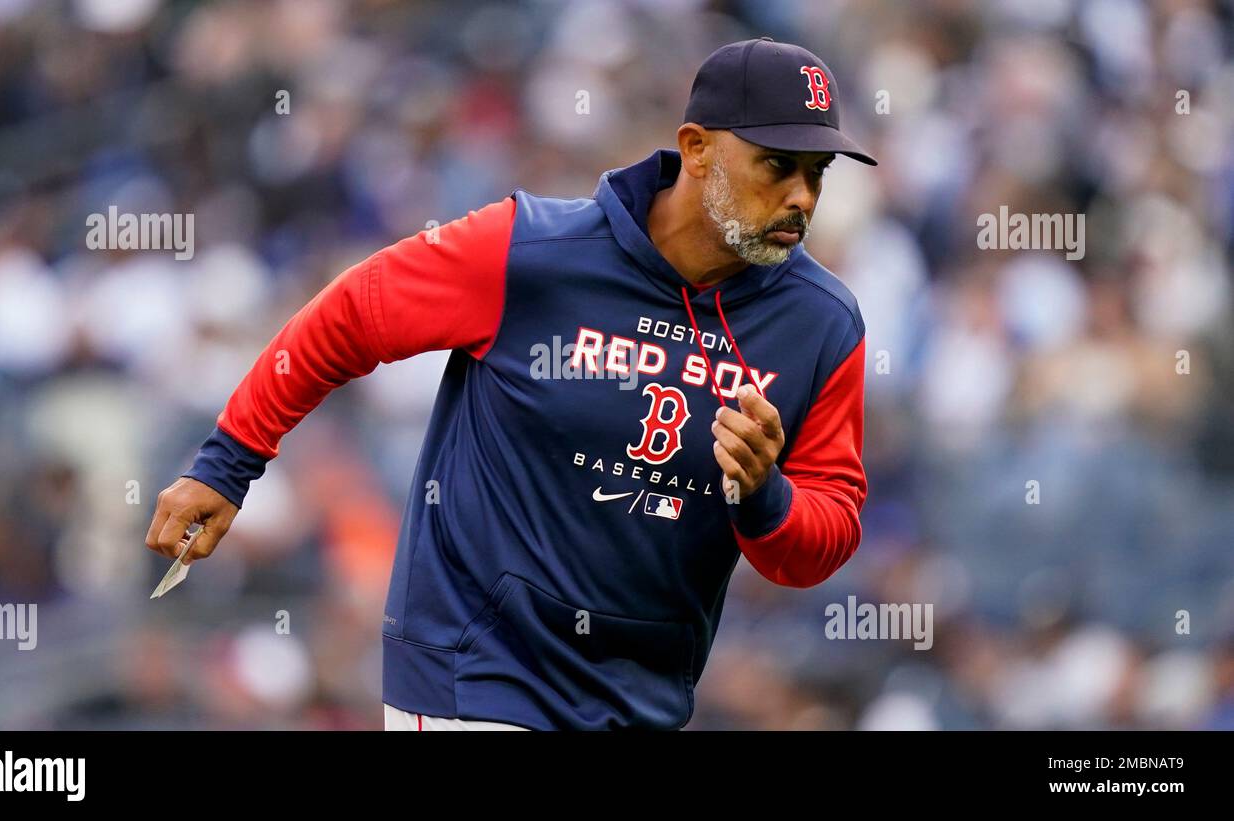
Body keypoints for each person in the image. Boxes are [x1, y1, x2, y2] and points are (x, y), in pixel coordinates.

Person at [146, 37, 875, 730]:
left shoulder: (822, 324)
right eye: (777, 165)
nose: (803, 197)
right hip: (476, 669)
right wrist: (229, 461)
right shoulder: (529, 249)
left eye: (818, 173)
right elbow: (351, 315)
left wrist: (763, 494)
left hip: (641, 697)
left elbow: (818, 546)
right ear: (696, 148)